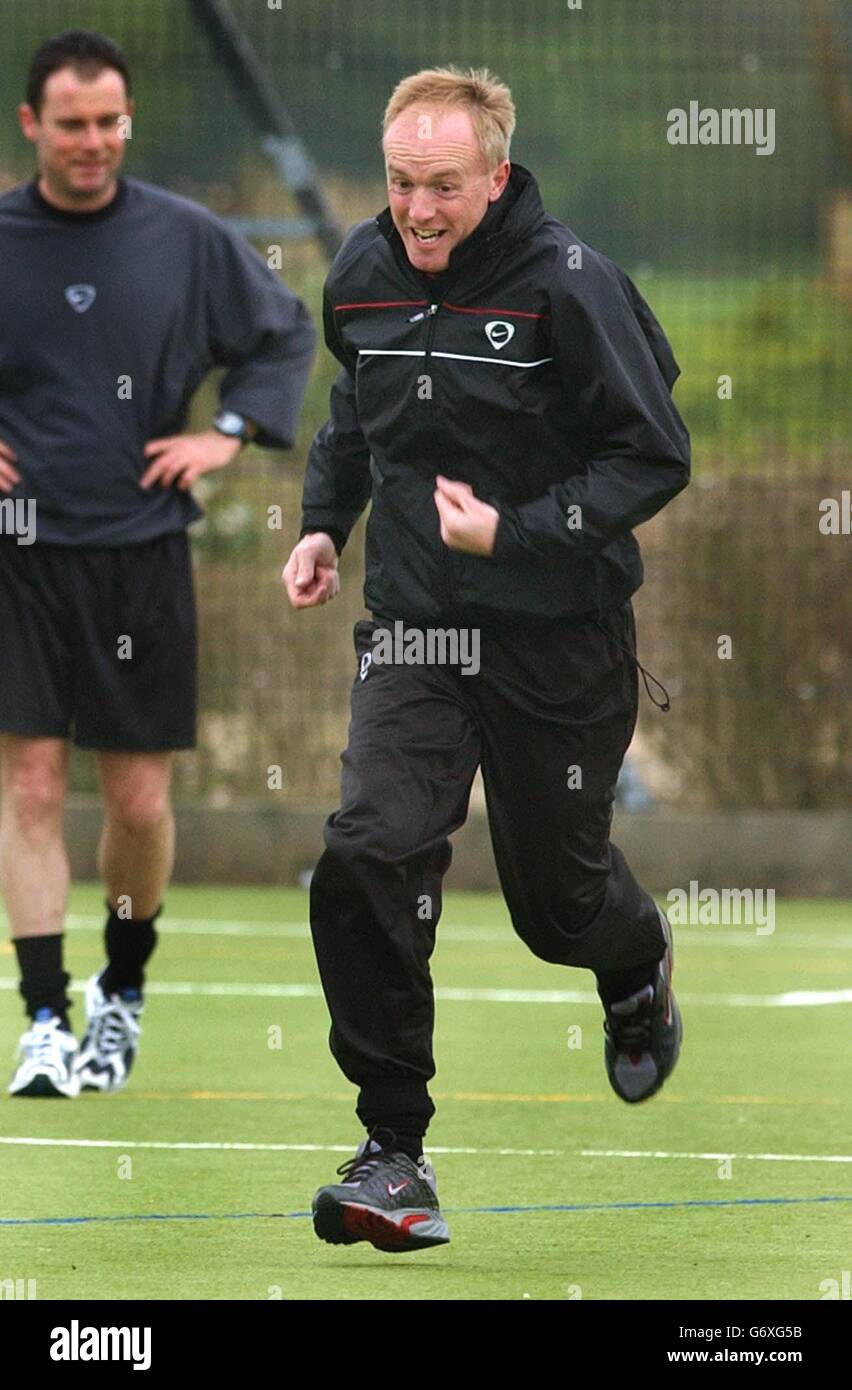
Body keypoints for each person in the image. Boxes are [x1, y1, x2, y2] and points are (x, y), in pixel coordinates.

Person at [283, 66, 689, 1253]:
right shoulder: (361, 273)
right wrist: (323, 524)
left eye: (444, 185)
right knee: (367, 848)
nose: (417, 209)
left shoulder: (571, 285)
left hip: (559, 642)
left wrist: (517, 531)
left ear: (497, 177)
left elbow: (653, 454)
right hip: (415, 630)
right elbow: (355, 414)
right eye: (401, 182)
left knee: (556, 910)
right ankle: (393, 1151)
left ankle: (635, 961)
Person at [1, 30, 315, 1098]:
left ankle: (121, 992)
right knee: (30, 786)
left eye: (110, 122)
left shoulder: (185, 238)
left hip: (141, 556)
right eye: (72, 124)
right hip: (19, 553)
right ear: (32, 124)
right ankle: (45, 1019)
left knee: (137, 805)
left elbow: (283, 333)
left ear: (126, 122)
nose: (93, 141)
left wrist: (227, 432)